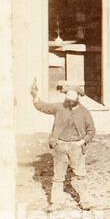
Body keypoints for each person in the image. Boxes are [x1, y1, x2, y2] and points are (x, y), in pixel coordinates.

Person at [30, 80, 96, 210]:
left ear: (78, 96)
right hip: (60, 146)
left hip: (76, 147)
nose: (69, 98)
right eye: (67, 95)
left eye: (72, 95)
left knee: (80, 175)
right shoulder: (59, 108)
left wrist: (82, 142)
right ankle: (56, 202)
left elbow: (91, 131)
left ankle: (85, 201)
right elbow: (43, 107)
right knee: (58, 176)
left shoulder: (84, 112)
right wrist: (35, 96)